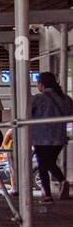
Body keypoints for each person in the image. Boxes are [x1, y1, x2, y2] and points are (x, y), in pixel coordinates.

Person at [31, 70, 72, 204]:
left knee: (43, 165)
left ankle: (48, 195)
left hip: (41, 138)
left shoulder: (38, 98)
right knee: (50, 162)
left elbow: (27, 114)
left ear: (41, 84)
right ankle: (62, 181)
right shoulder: (66, 98)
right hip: (59, 137)